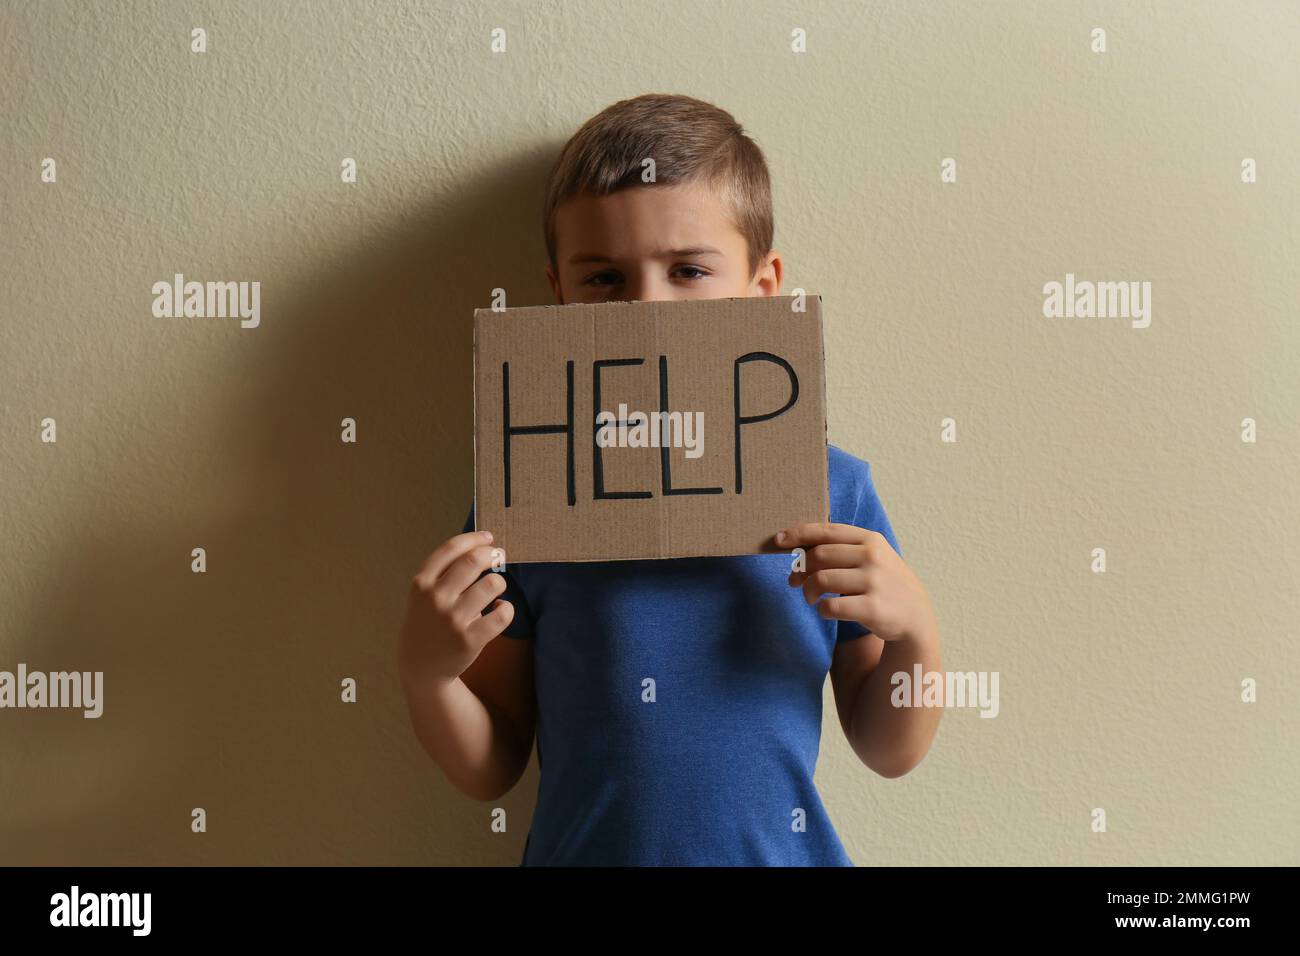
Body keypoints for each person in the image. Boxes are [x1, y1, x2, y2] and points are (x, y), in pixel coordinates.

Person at [398, 93, 942, 865]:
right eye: (605, 278)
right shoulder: (528, 493)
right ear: (557, 294)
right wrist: (427, 678)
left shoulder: (829, 490)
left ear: (763, 286)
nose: (647, 307)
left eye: (688, 269)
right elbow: (493, 764)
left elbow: (890, 749)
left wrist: (916, 633)